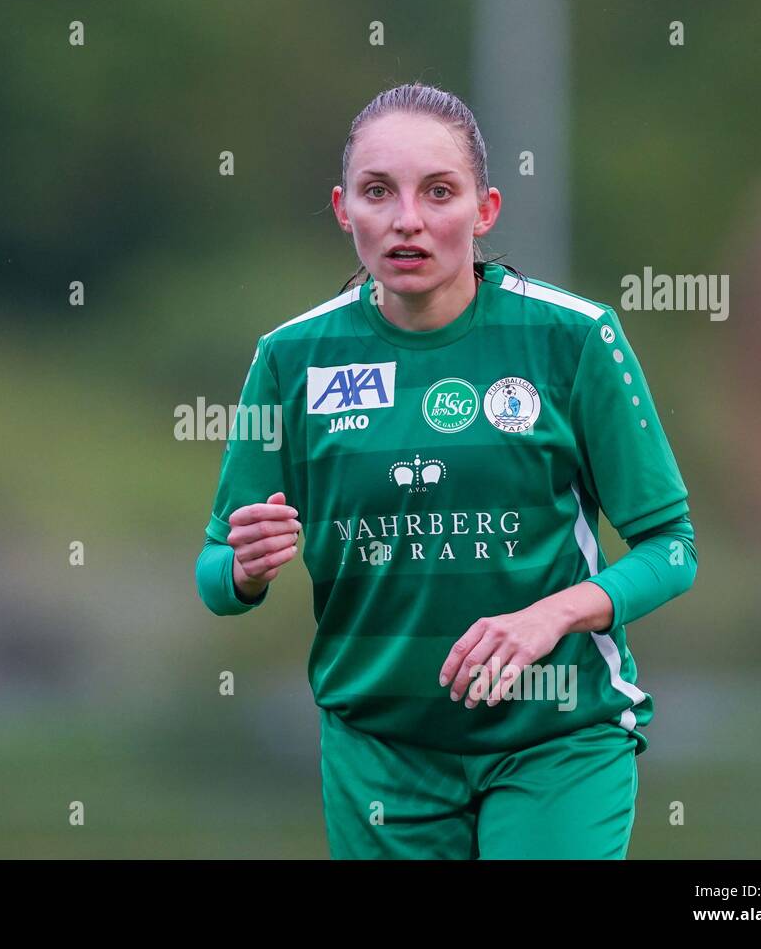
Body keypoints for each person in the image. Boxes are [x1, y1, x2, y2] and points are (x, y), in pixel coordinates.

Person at [194, 82, 697, 859]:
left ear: (484, 210)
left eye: (438, 192)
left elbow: (672, 547)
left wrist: (552, 615)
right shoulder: (291, 359)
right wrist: (248, 571)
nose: (407, 219)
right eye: (377, 192)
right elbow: (215, 570)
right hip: (380, 753)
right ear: (342, 209)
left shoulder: (573, 339)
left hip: (556, 734)